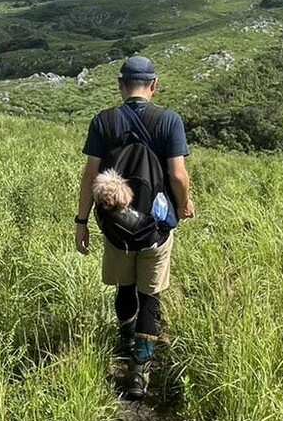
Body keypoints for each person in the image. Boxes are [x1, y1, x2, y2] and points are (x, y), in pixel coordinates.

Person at [75, 54, 194, 399]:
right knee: (151, 294)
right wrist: (184, 203)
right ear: (154, 85)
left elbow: (90, 176)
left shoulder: (104, 121)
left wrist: (81, 221)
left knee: (124, 289)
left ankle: (126, 342)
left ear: (120, 85)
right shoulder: (169, 121)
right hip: (156, 228)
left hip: (115, 226)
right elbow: (177, 175)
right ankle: (140, 371)